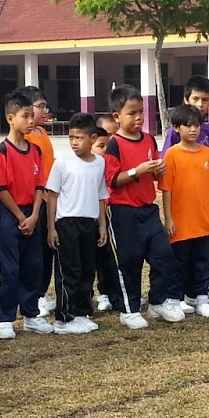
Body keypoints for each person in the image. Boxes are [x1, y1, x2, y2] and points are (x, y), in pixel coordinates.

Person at [104, 84, 182, 328]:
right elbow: (112, 180)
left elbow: (155, 174)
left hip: (148, 209)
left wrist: (159, 170)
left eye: (141, 112)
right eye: (132, 113)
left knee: (164, 256)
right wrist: (136, 171)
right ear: (117, 116)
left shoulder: (148, 139)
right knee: (130, 262)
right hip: (123, 211)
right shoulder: (114, 144)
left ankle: (157, 302)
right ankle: (130, 309)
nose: (138, 118)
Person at [0, 91, 49, 339]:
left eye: (32, 115)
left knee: (33, 265)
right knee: (11, 267)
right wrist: (20, 217)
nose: (31, 120)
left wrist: (34, 215)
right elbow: (0, 188)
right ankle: (4, 318)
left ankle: (31, 314)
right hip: (10, 213)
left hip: (31, 212)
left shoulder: (35, 150)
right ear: (11, 119)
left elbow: (39, 185)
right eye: (25, 116)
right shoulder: (1, 151)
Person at [43, 111, 109, 334]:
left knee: (87, 269)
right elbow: (52, 196)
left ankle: (82, 312)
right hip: (67, 223)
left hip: (89, 223)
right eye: (71, 137)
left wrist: (102, 225)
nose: (74, 142)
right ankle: (64, 317)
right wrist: (51, 227)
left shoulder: (99, 163)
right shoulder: (62, 163)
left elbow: (101, 195)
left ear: (92, 138)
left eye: (79, 138)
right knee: (69, 271)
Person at [159, 104, 209, 319]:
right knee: (179, 261)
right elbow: (166, 190)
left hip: (203, 218)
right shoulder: (172, 155)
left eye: (196, 125)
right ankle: (175, 299)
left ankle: (201, 298)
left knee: (201, 260)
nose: (193, 130)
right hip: (181, 220)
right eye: (188, 126)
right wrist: (169, 218)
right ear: (177, 128)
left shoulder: (207, 153)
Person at [17, 86, 58, 318]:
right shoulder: (26, 136)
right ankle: (33, 296)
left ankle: (41, 291)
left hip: (50, 197)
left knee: (48, 248)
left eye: (45, 105)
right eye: (40, 106)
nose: (44, 110)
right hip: (37, 199)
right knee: (36, 252)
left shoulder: (42, 132)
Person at [92, 113, 122, 314]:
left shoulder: (115, 161)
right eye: (103, 142)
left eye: (113, 137)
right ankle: (102, 294)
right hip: (92, 216)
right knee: (96, 258)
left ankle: (115, 293)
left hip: (112, 214)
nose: (110, 144)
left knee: (112, 257)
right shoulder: (90, 165)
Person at [163, 75, 209, 154]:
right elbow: (166, 157)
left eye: (205, 100)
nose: (200, 104)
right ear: (186, 100)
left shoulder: (208, 130)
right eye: (195, 99)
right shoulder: (176, 130)